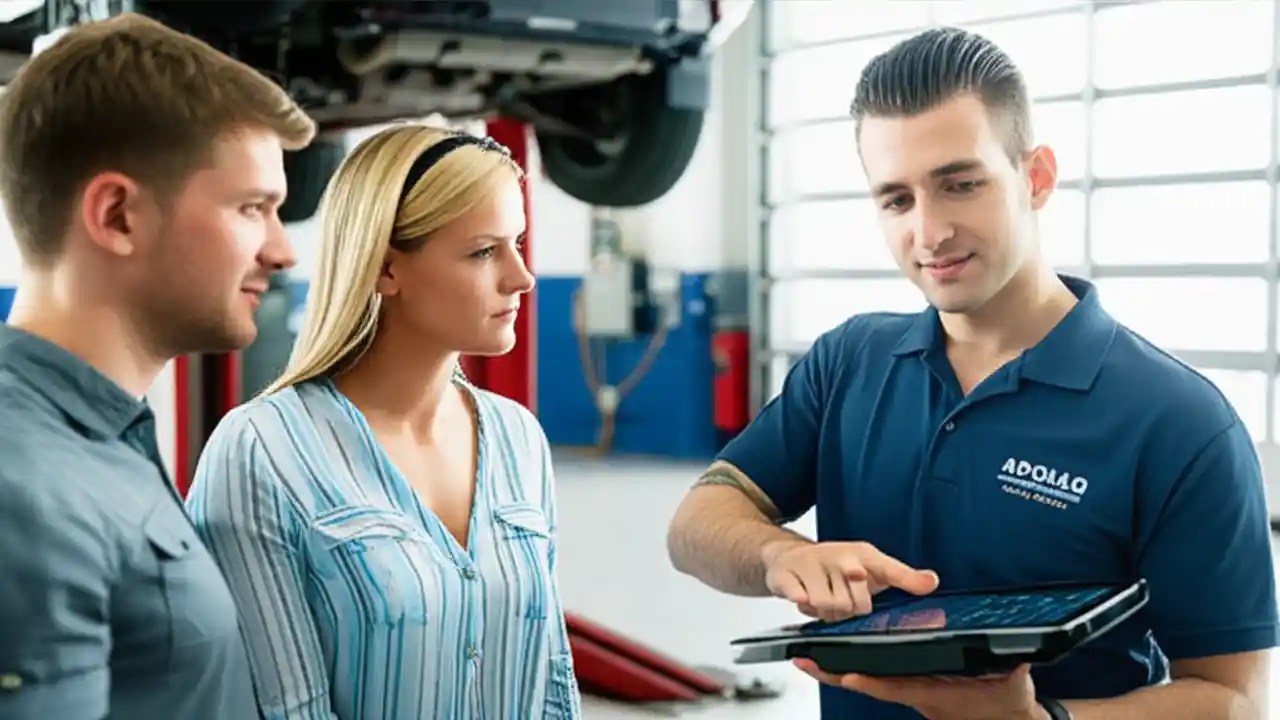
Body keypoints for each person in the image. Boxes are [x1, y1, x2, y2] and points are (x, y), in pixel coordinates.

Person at [667, 26, 1278, 720]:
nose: (929, 232)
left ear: (1036, 177)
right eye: (897, 199)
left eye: (960, 185)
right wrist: (778, 554)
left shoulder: (1178, 421)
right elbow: (697, 522)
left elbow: (1236, 700)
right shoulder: (849, 363)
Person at [184, 123, 582, 719]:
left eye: (517, 244)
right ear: (385, 268)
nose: (520, 278)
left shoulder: (517, 436)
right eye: (483, 251)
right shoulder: (262, 452)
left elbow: (552, 678)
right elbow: (286, 710)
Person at [0, 12, 315, 720]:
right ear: (117, 216)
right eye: (251, 208)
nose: (281, 250)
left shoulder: (101, 437)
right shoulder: (26, 493)